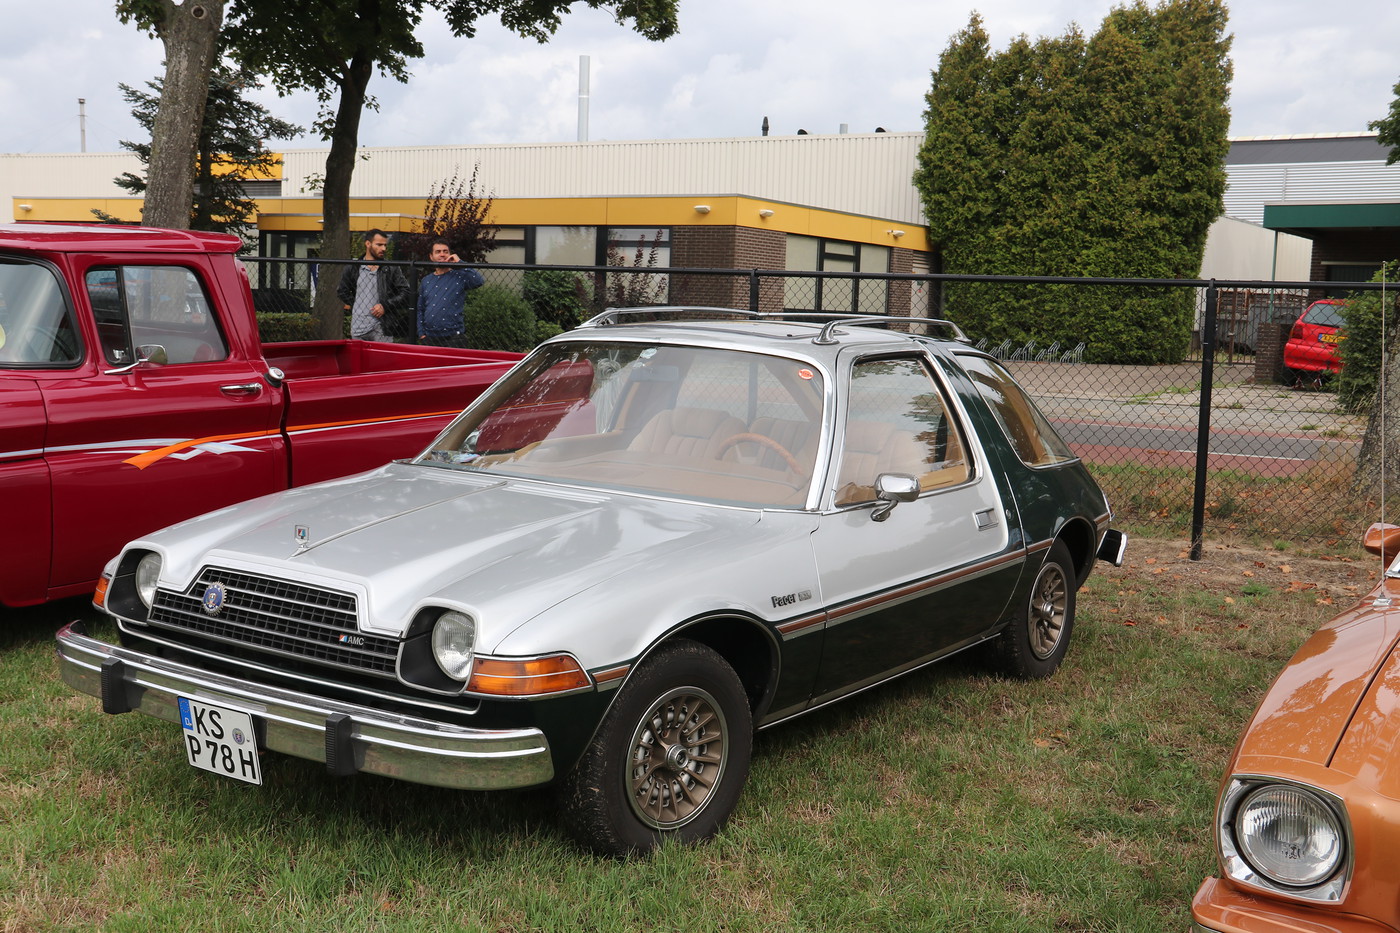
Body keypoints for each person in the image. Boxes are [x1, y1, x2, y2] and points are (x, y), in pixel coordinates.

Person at [337, 229, 409, 342]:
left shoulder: (391, 268)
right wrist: (357, 305)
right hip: (358, 327)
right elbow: (342, 291)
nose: (383, 249)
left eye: (385, 245)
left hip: (382, 326)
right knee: (359, 359)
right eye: (379, 245)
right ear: (368, 244)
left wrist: (385, 305)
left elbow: (406, 292)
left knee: (382, 359)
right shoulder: (353, 267)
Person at [416, 238, 484, 346]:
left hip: (454, 337)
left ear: (450, 254)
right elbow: (420, 308)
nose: (442, 254)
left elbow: (478, 281)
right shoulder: (426, 280)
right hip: (429, 337)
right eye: (438, 252)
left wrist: (460, 263)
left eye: (445, 251)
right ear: (431, 257)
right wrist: (421, 333)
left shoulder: (459, 276)